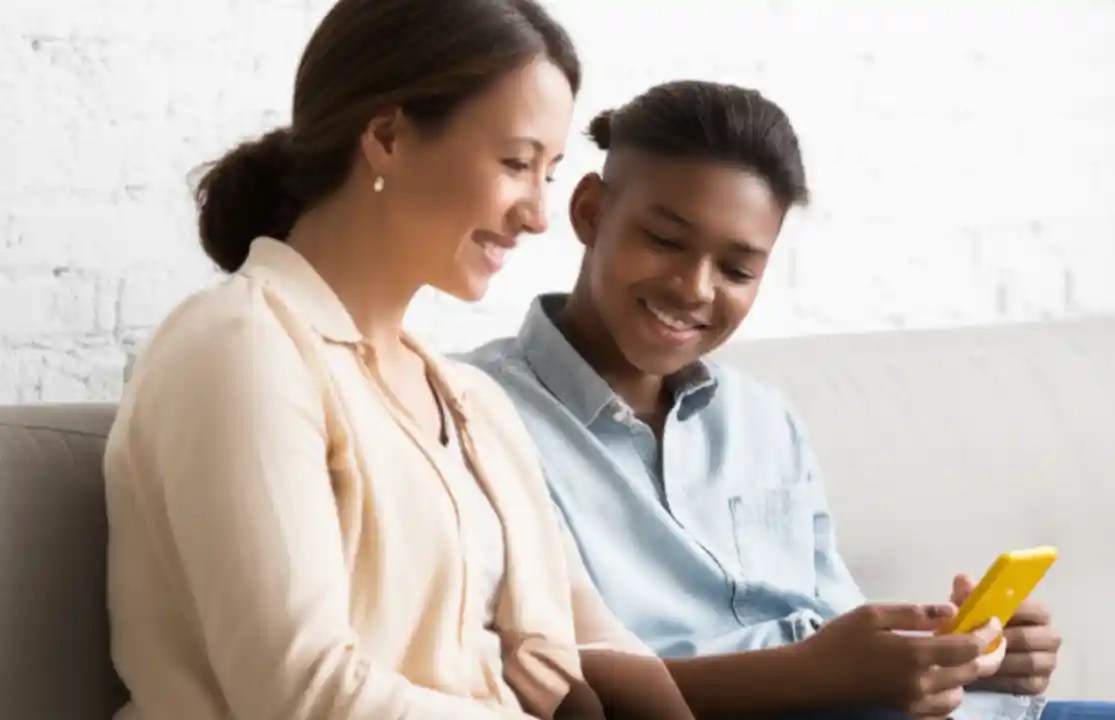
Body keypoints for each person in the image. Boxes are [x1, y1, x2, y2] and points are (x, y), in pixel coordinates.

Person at [462, 80, 1115, 720]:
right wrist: (810, 675)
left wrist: (960, 655)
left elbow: (841, 634)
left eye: (739, 269)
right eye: (665, 241)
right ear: (590, 211)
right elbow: (543, 687)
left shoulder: (763, 422)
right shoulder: (474, 413)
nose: (694, 288)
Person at [103, 2, 692, 719]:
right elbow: (302, 695)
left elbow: (598, 641)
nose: (538, 213)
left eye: (550, 172)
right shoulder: (240, 349)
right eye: (515, 163)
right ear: (387, 136)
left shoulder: (473, 402)